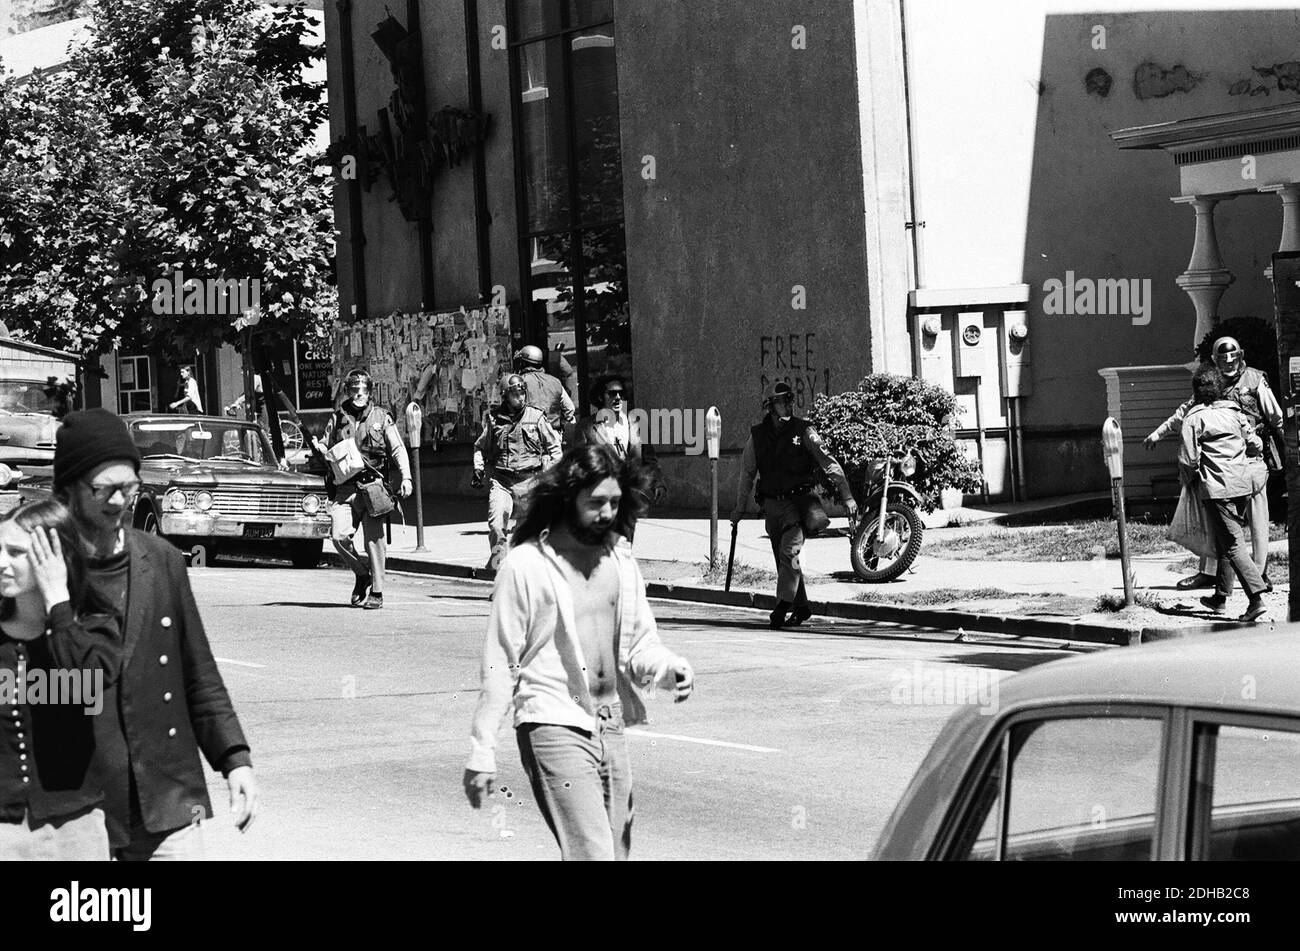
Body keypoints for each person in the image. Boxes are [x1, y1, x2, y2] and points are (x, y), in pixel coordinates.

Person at [463, 445, 694, 860]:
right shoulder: (527, 565)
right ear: (569, 498)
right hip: (551, 722)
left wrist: (667, 669)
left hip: (611, 722)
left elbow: (640, 643)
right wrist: (483, 748)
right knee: (593, 855)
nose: (607, 513)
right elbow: (501, 661)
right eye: (596, 502)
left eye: (615, 502)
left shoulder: (619, 559)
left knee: (614, 855)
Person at [53, 408, 258, 860]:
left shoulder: (162, 560)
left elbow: (197, 672)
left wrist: (234, 760)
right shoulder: (41, 569)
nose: (119, 502)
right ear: (68, 490)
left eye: (128, 487)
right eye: (103, 489)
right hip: (75, 811)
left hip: (166, 802)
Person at [0, 500, 121, 860]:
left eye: (17, 552)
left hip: (76, 829)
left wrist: (58, 600)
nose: (1, 563)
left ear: (56, 558)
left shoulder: (95, 628)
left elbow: (90, 681)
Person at [1144, 336, 1282, 591]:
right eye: (1223, 358)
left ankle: (1260, 573)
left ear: (1241, 355)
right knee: (1217, 520)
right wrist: (1158, 433)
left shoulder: (1254, 379)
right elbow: (1185, 412)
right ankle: (1209, 574)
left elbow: (1276, 417)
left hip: (1252, 460)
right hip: (1221, 464)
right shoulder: (1212, 383)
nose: (1229, 363)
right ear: (1215, 360)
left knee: (1258, 519)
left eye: (1233, 357)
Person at [731, 381, 858, 628]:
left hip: (798, 504)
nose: (789, 403)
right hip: (771, 507)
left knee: (790, 554)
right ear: (770, 406)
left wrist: (848, 496)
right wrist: (738, 509)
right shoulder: (757, 437)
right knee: (784, 561)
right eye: (783, 400)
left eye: (790, 399)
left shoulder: (804, 431)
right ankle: (802, 607)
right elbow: (746, 474)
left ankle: (781, 607)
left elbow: (828, 463)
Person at [312, 370, 413, 610]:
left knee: (374, 541)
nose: (360, 394)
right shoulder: (337, 418)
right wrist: (319, 447)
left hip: (373, 486)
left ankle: (377, 590)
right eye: (355, 389)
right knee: (339, 536)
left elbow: (397, 448)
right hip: (345, 488)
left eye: (364, 390)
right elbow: (326, 445)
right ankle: (362, 574)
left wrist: (406, 477)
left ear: (370, 392)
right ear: (348, 391)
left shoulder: (382, 417)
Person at [1179, 365, 1269, 622]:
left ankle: (1256, 599)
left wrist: (1191, 481)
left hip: (1217, 489)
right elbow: (1254, 443)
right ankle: (1220, 598)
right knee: (1225, 541)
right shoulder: (1234, 413)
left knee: (1233, 545)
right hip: (1242, 485)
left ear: (1196, 391)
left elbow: (1188, 460)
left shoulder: (1194, 419)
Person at [472, 373, 561, 570]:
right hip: (502, 481)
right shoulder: (494, 419)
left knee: (527, 535)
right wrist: (478, 468)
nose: (520, 397)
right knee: (496, 525)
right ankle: (498, 570)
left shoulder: (536, 417)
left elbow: (555, 449)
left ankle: (521, 577)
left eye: (522, 393)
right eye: (515, 394)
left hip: (530, 481)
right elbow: (480, 447)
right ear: (505, 396)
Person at [575, 374, 667, 506]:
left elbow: (649, 459)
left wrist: (658, 483)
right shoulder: (586, 427)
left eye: (621, 393)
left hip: (632, 496)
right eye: (612, 394)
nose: (618, 398)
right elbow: (579, 465)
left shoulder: (637, 423)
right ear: (601, 397)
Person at [514, 345, 577, 445]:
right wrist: (560, 425)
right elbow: (570, 409)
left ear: (524, 363)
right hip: (554, 436)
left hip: (529, 439)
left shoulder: (520, 383)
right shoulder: (555, 381)